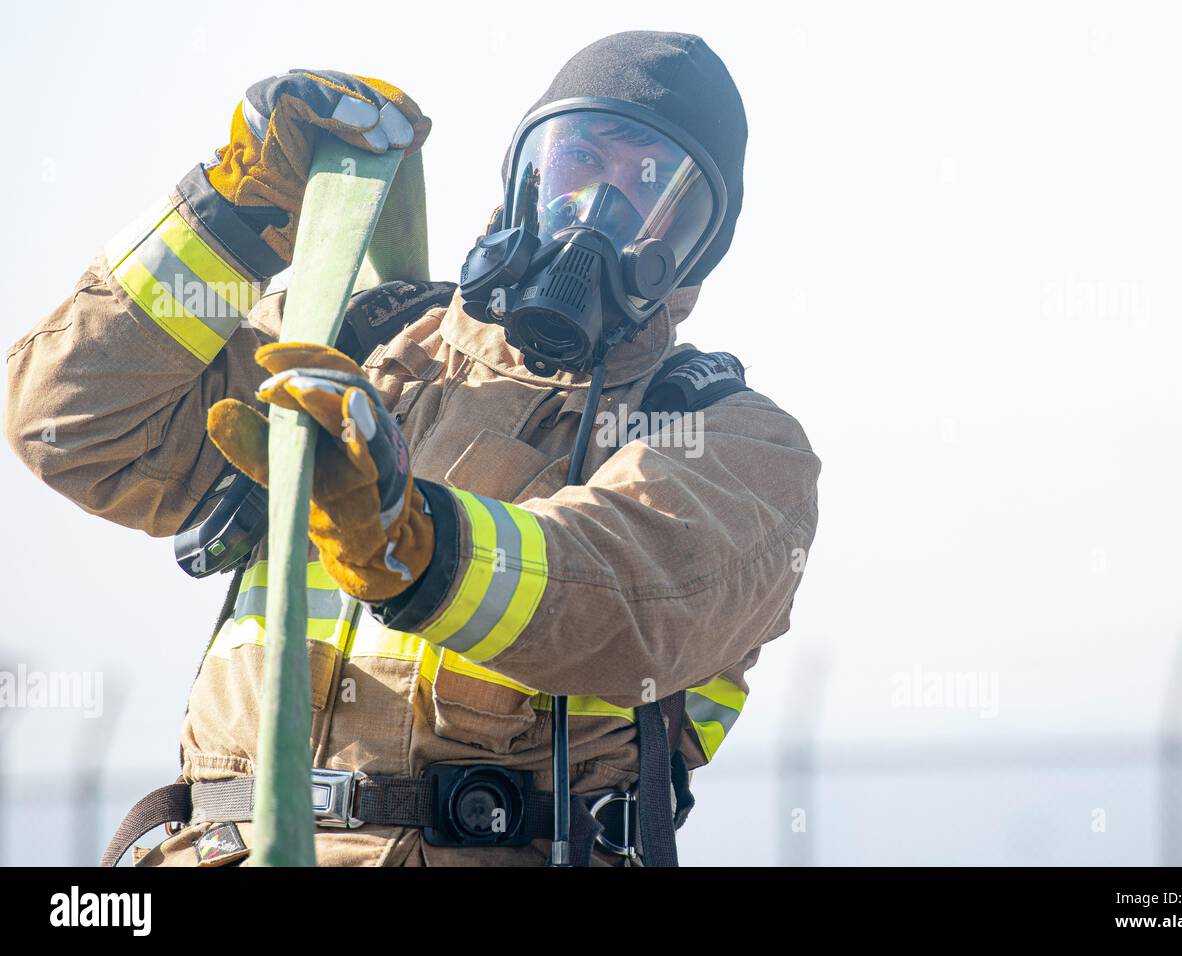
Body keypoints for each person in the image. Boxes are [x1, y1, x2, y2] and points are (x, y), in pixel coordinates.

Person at [5, 31, 820, 866]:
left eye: (652, 189)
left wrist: (417, 546)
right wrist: (236, 216)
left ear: (697, 247)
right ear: (523, 175)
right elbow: (69, 423)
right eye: (580, 161)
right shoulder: (344, 342)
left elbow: (631, 596)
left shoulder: (737, 445)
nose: (597, 211)